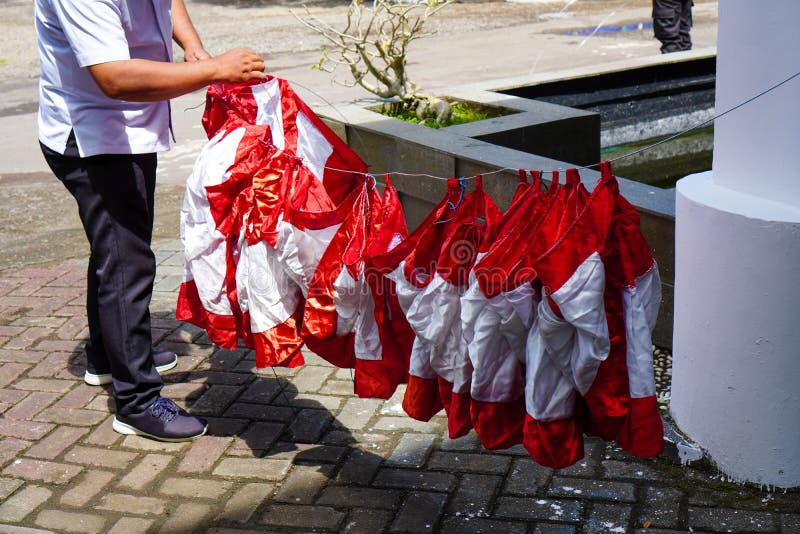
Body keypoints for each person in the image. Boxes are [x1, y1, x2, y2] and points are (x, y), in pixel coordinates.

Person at [35, 0, 267, 442]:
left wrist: (193, 48)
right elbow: (115, 78)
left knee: (115, 252)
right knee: (128, 264)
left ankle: (107, 357)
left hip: (127, 129)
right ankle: (137, 402)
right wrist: (214, 70)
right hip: (95, 139)